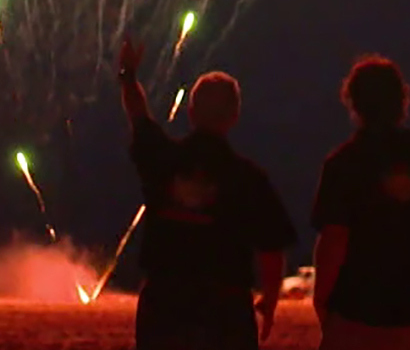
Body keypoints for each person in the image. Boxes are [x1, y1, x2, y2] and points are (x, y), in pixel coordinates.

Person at [117, 36, 297, 349]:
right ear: (234, 117)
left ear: (190, 112)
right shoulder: (248, 177)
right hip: (225, 308)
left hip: (165, 303)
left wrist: (128, 76)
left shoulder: (163, 160)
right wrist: (269, 299)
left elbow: (139, 116)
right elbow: (272, 247)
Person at [311, 56, 410, 349]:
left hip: (357, 312)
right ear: (402, 100)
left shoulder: (343, 162)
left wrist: (322, 298)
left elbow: (334, 237)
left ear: (353, 103)